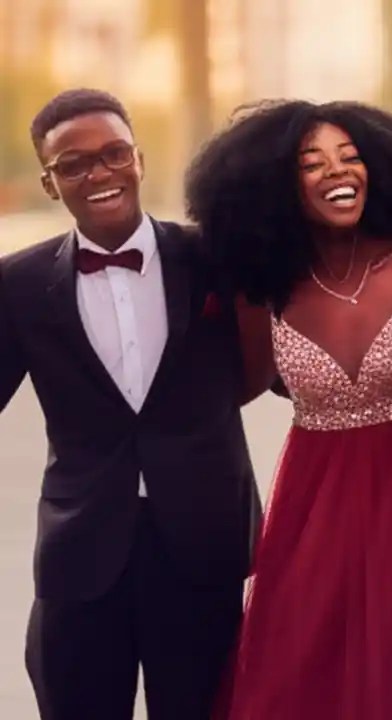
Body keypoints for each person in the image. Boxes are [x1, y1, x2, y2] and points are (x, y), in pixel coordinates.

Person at [185, 100, 392, 719]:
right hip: (316, 499)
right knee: (301, 656)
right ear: (276, 184)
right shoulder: (262, 286)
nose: (337, 172)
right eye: (311, 163)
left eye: (350, 157)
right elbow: (241, 384)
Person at [0, 89, 260, 719]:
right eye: (73, 163)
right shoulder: (18, 284)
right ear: (49, 181)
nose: (99, 173)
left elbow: (290, 365)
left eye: (114, 153)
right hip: (80, 555)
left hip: (203, 547)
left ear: (139, 159)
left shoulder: (217, 259)